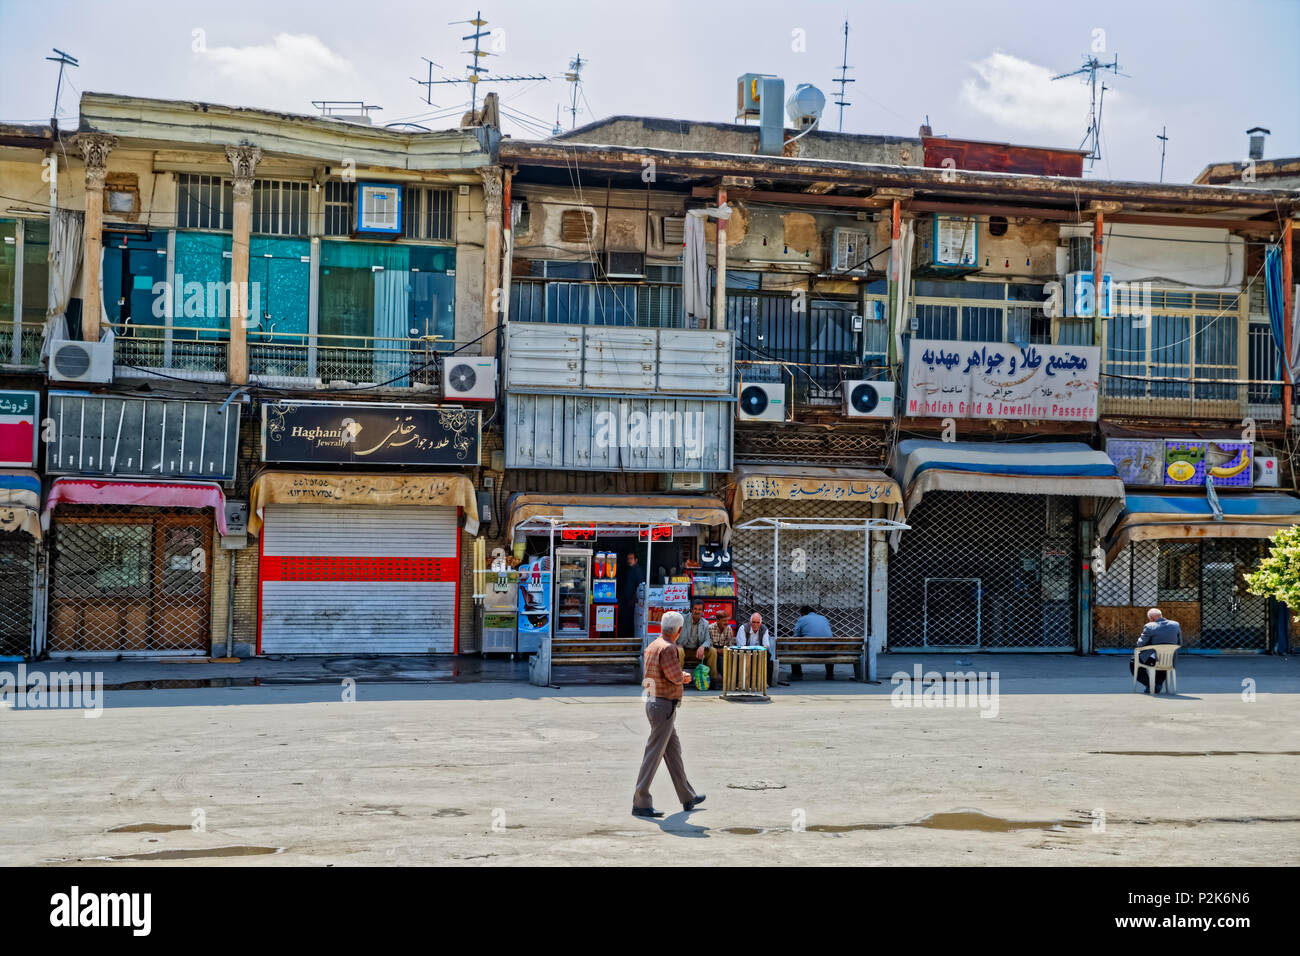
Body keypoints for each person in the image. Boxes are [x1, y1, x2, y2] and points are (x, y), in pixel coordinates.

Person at [633, 610, 706, 818]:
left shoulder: (653, 645)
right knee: (654, 754)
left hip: (656, 703)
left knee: (673, 751)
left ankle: (687, 796)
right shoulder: (669, 648)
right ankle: (641, 800)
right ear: (679, 630)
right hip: (664, 706)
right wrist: (684, 676)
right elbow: (674, 676)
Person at [1130, 608, 1182, 693]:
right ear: (1161, 615)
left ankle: (1150, 685)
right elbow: (1179, 642)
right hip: (1170, 659)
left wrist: (1141, 639)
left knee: (1134, 661)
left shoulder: (1150, 626)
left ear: (1151, 619)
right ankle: (1158, 684)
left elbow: (1140, 644)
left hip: (1154, 659)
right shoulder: (1175, 625)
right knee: (1163, 662)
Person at [677, 600, 719, 685]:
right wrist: (676, 644)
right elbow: (673, 633)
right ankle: (679, 679)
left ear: (703, 611)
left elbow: (708, 640)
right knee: (679, 651)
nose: (697, 611)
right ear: (691, 610)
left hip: (697, 652)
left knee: (713, 651)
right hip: (683, 649)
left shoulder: (705, 623)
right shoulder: (682, 619)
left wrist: (703, 646)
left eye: (700, 609)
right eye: (695, 609)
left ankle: (713, 680)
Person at [791, 605, 836, 681]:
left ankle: (797, 674)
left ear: (803, 613)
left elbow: (796, 636)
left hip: (809, 652)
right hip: (827, 652)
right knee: (828, 646)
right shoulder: (824, 618)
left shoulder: (802, 619)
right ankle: (830, 674)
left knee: (793, 650)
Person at [734, 611, 775, 685]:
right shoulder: (743, 628)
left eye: (757, 622)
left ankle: (765, 682)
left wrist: (759, 650)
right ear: (750, 622)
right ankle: (742, 682)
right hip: (745, 652)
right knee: (741, 656)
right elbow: (741, 646)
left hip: (759, 652)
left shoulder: (764, 629)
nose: (755, 624)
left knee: (768, 655)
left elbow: (766, 645)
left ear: (760, 623)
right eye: (753, 622)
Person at [618, 552, 645, 639]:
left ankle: (629, 639)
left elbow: (640, 587)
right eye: (628, 558)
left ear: (636, 560)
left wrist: (633, 600)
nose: (629, 560)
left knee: (630, 621)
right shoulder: (629, 569)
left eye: (631, 558)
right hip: (625, 600)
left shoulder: (637, 571)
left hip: (632, 601)